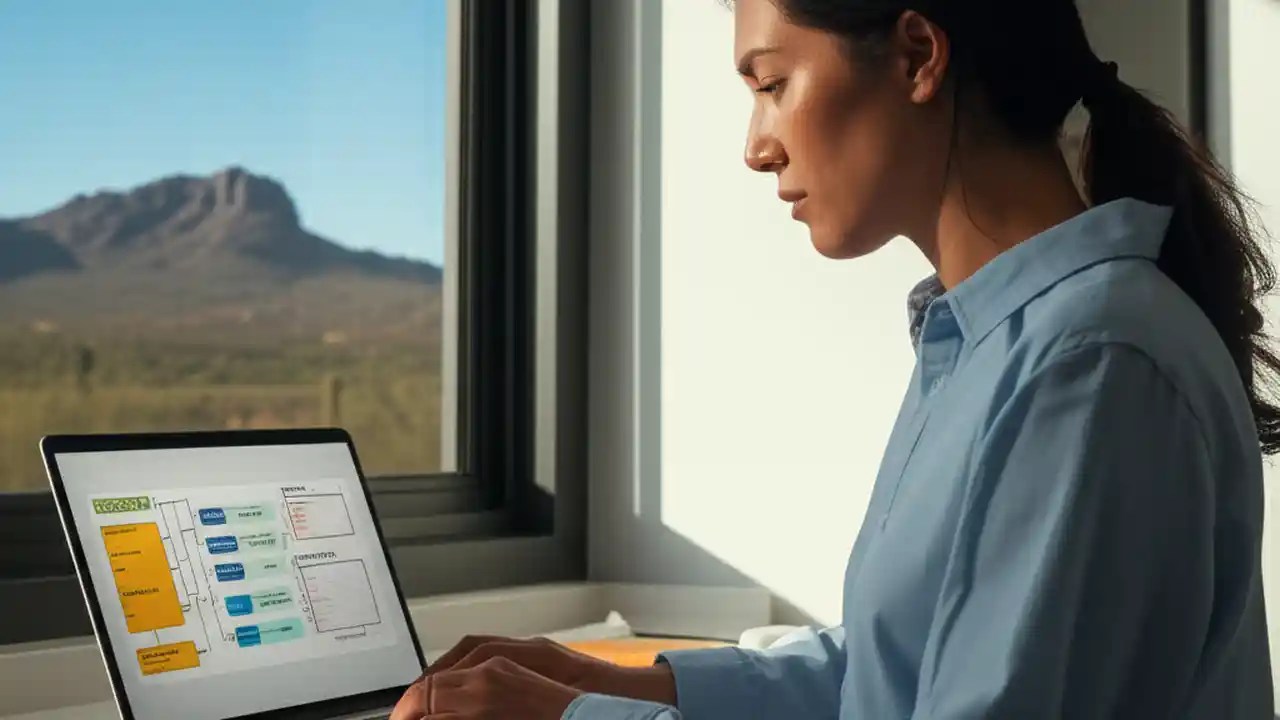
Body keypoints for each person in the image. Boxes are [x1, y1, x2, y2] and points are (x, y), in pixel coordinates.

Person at [392, 0, 1276, 716]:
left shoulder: (1091, 364)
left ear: (918, 55)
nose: (755, 144)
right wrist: (605, 679)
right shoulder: (982, 343)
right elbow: (885, 672)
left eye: (772, 83)